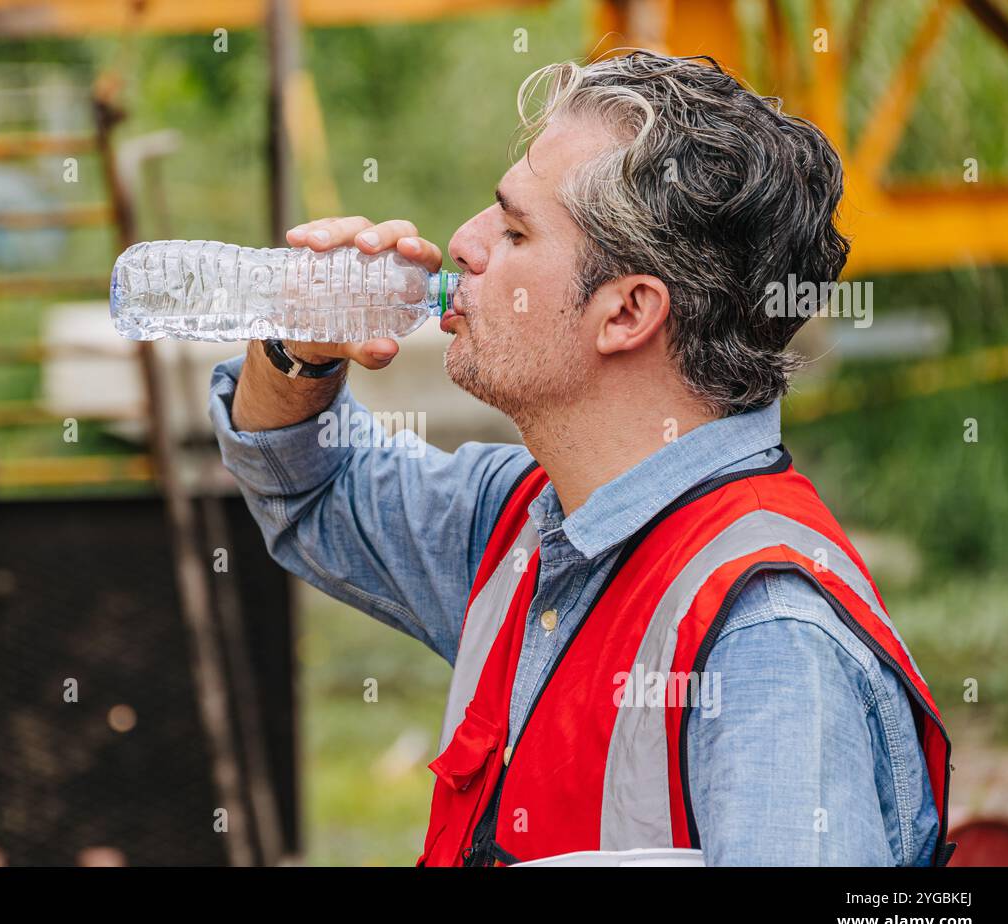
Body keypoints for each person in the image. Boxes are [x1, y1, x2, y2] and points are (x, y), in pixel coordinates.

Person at [208, 51, 952, 866]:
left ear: (627, 312)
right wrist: (297, 351)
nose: (461, 242)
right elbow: (310, 485)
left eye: (515, 229)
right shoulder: (527, 527)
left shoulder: (765, 645)